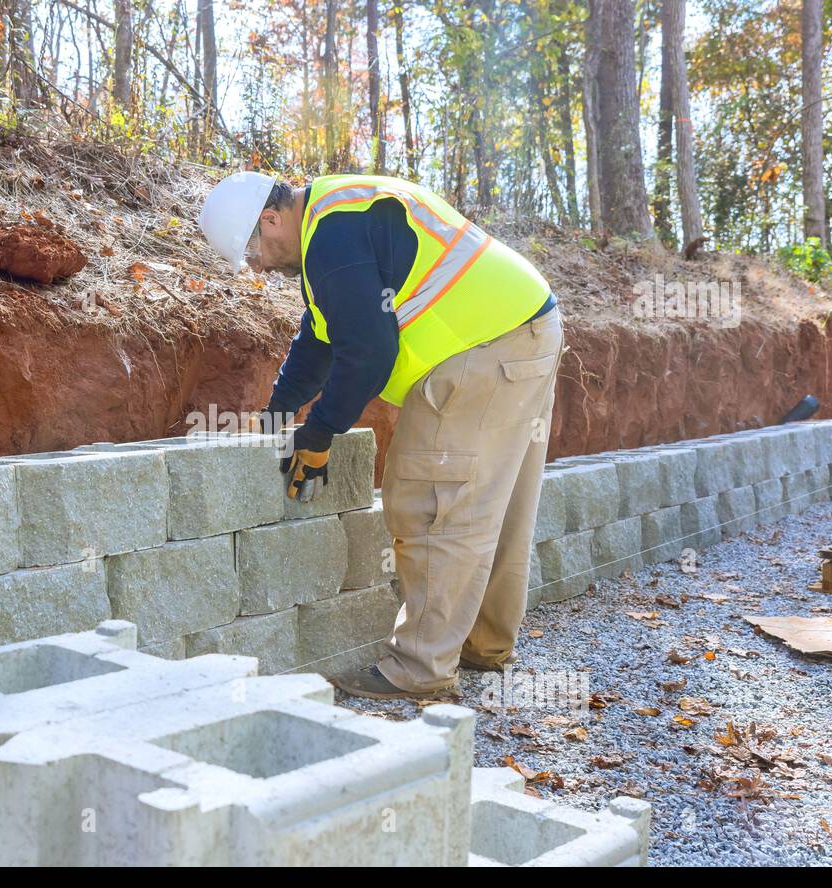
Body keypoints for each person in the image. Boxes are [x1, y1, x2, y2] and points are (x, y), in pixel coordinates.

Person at [198, 171, 563, 699]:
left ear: (271, 219)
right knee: (491, 503)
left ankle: (419, 669)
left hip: (486, 349)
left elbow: (368, 351)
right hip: (522, 328)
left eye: (253, 250)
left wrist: (320, 434)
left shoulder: (332, 237)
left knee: (431, 503)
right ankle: (483, 645)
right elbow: (323, 335)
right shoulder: (335, 216)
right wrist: (278, 414)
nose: (258, 265)